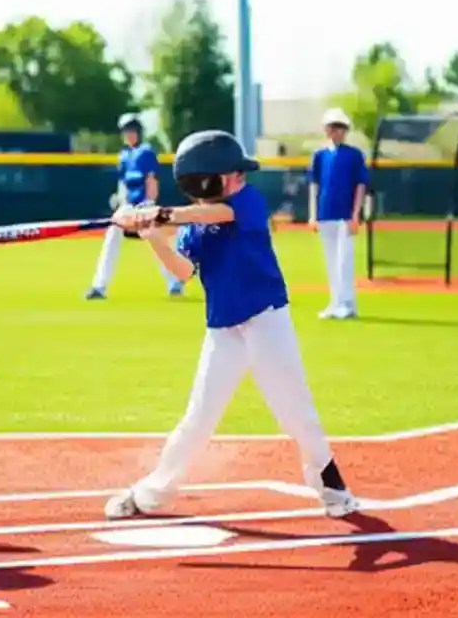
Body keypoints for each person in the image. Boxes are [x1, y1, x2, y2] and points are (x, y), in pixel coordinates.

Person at [102, 130, 359, 521]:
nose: (241, 177)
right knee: (198, 418)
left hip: (267, 322)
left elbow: (218, 214)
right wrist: (152, 234)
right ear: (206, 180)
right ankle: (151, 494)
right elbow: (183, 270)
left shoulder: (246, 202)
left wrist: (162, 213)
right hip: (224, 331)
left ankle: (333, 490)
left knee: (297, 414)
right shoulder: (194, 227)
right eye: (232, 173)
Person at [85, 114, 184, 300]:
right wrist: (119, 202)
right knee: (113, 234)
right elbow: (123, 184)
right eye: (125, 131)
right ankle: (99, 286)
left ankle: (174, 282)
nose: (128, 134)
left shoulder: (146, 152)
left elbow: (152, 181)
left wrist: (149, 205)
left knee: (157, 241)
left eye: (131, 131)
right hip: (128, 207)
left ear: (138, 133)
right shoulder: (124, 156)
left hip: (144, 205)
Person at [307, 108, 369, 320]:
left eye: (342, 127)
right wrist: (313, 215)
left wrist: (355, 215)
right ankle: (335, 302)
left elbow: (361, 185)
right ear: (327, 130)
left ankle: (348, 304)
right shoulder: (319, 155)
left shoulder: (354, 155)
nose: (338, 131)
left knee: (345, 260)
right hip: (326, 214)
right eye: (334, 127)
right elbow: (314, 186)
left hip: (345, 215)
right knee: (331, 260)